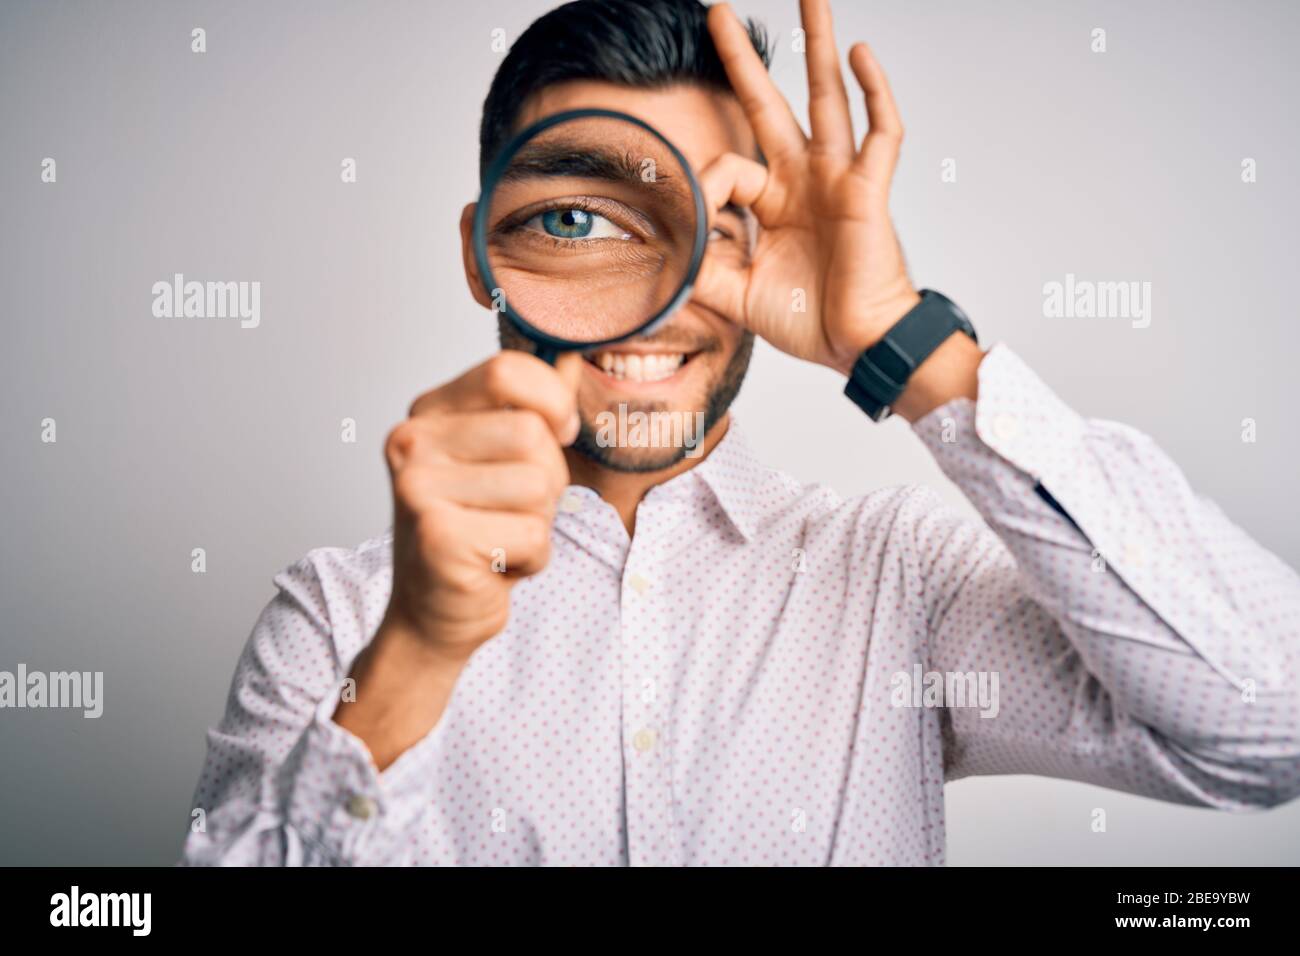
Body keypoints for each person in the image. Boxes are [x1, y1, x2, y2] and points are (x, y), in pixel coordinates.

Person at [181, 0, 1300, 865]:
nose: (660, 301)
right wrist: (415, 657)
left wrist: (904, 342)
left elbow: (1270, 723)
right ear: (481, 251)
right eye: (576, 219)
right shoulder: (341, 620)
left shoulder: (898, 578)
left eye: (717, 226)